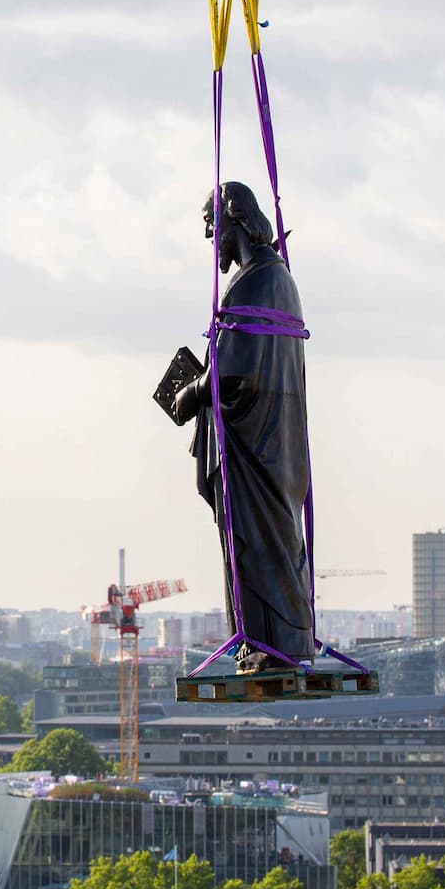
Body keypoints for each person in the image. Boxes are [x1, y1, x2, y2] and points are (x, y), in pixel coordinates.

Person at [167, 181, 313, 671]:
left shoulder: (257, 282)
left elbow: (236, 373)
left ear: (236, 218)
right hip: (270, 442)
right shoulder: (276, 278)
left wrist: (190, 393)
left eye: (212, 222)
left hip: (256, 447)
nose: (210, 236)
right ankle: (269, 644)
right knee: (268, 543)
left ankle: (272, 647)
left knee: (257, 545)